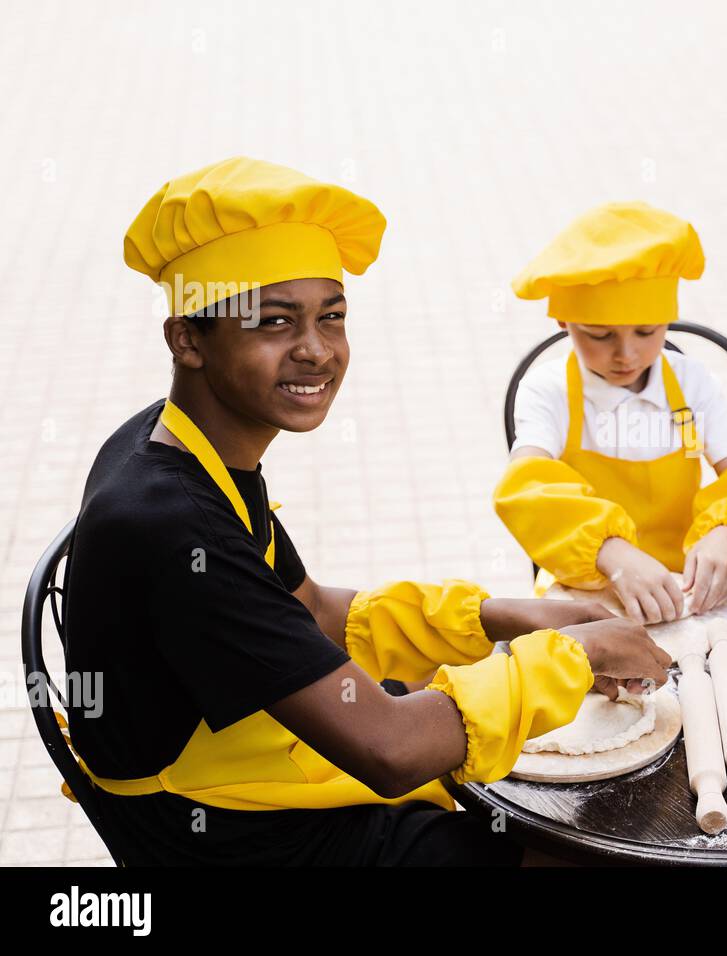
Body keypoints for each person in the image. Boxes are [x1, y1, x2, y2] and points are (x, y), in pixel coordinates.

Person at [62, 157, 669, 866]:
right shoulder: (170, 525)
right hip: (230, 834)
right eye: (274, 322)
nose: (316, 351)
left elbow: (311, 611)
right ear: (188, 339)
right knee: (589, 853)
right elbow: (391, 750)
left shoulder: (172, 443)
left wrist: (505, 617)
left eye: (332, 317)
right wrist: (577, 655)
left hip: (256, 754)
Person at [495, 201, 727, 623]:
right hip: (583, 591)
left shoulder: (692, 387)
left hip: (684, 584)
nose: (627, 354)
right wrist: (611, 554)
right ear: (563, 322)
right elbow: (525, 490)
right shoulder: (548, 392)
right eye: (600, 335)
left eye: (647, 330)